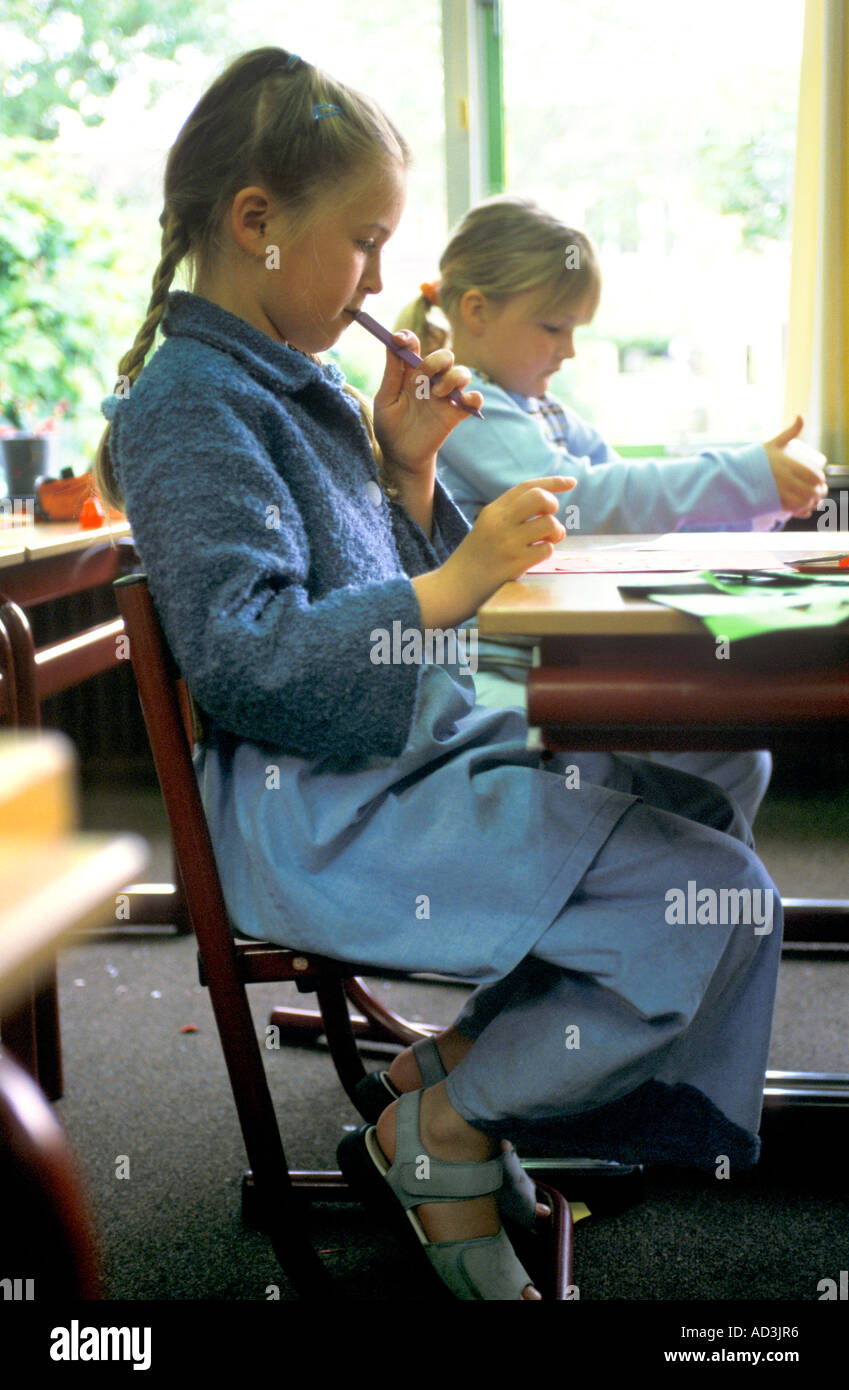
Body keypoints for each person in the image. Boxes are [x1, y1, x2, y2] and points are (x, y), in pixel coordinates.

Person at [96, 48, 783, 1301]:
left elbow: (372, 608)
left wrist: (406, 477)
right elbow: (252, 656)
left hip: (390, 767)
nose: (379, 280)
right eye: (364, 243)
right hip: (326, 811)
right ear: (256, 223)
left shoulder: (274, 386)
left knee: (698, 792)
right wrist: (453, 577)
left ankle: (463, 1076)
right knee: (721, 899)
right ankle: (455, 1122)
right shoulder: (190, 405)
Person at [398, 197, 828, 823]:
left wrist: (760, 498)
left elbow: (634, 504)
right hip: (495, 673)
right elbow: (588, 498)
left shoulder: (543, 411)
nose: (568, 350)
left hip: (559, 646)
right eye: (553, 327)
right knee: (729, 756)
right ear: (476, 311)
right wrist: (742, 476)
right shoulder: (462, 409)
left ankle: (683, 892)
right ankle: (659, 883)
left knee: (738, 755)